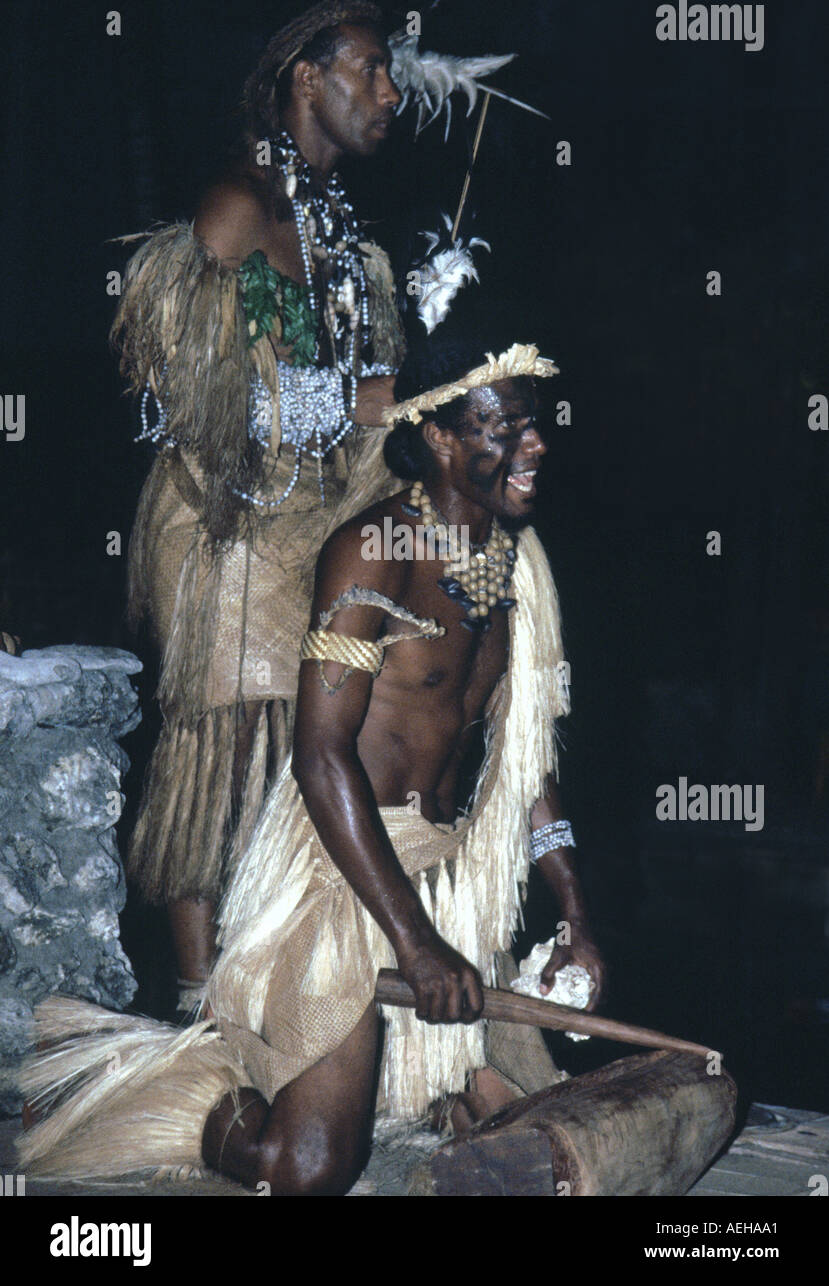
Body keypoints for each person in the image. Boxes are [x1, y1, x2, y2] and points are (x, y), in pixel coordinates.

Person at [17, 301, 605, 1194]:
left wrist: (573, 919)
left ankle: (423, 1074)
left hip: (453, 884)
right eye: (505, 426)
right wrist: (411, 944)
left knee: (521, 1124)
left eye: (534, 424)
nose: (534, 445)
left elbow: (525, 763)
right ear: (441, 439)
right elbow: (319, 757)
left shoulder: (516, 564)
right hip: (340, 873)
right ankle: (174, 1086)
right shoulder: (373, 552)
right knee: (311, 1167)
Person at [112, 0, 405, 1006]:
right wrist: (349, 401)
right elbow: (177, 401)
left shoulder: (337, 228)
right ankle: (199, 1006)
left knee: (311, 750)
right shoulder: (239, 206)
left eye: (390, 70)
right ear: (304, 80)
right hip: (224, 527)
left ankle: (288, 989)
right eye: (367, 68)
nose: (389, 91)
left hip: (310, 524)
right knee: (221, 753)